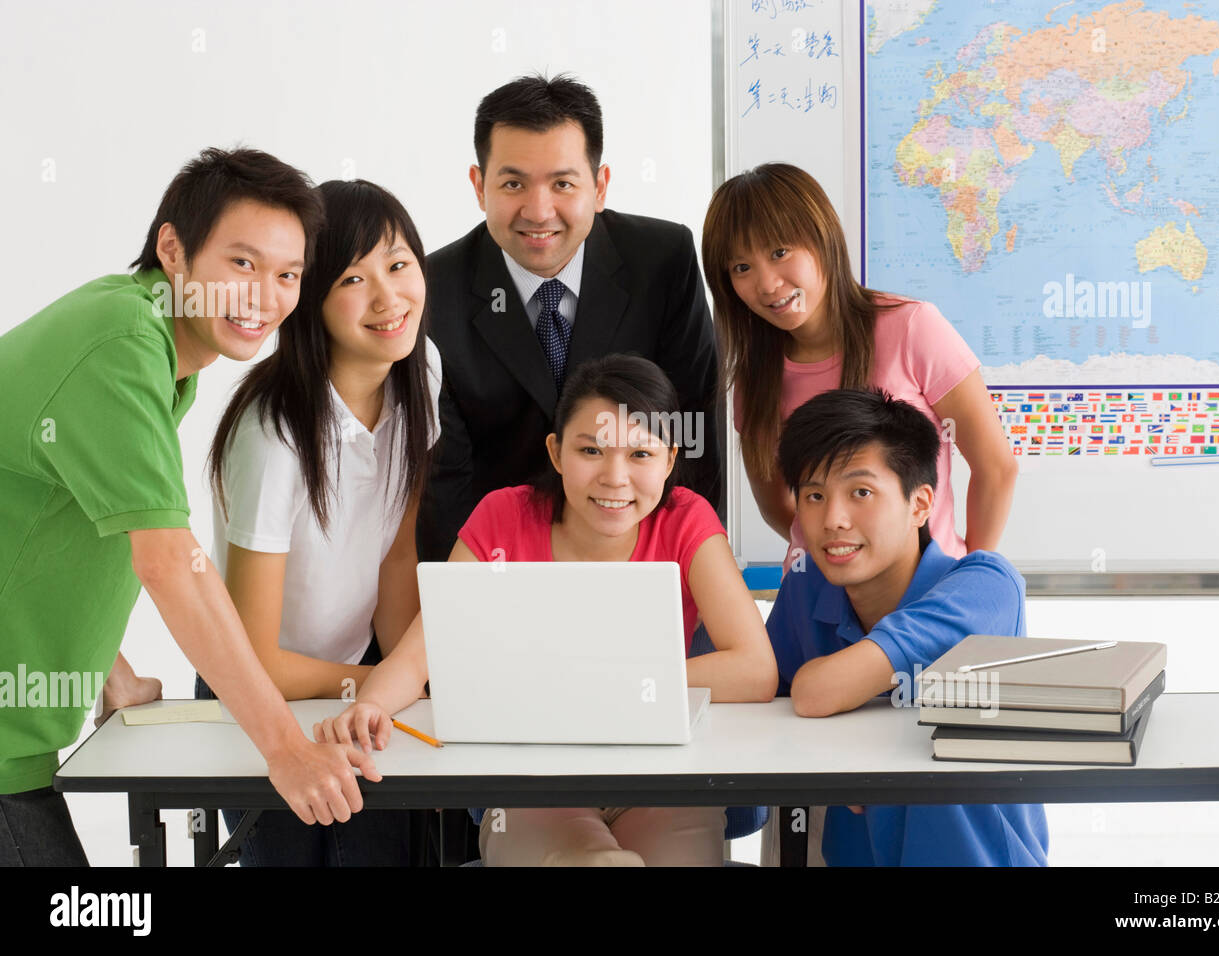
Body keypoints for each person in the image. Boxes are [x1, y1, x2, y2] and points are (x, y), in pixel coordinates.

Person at [0, 147, 380, 866]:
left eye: (287, 275)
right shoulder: (119, 347)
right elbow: (170, 562)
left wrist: (107, 669)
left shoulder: (150, 341)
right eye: (242, 263)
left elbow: (56, 517)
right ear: (173, 249)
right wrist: (285, 749)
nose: (264, 297)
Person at [317, 355, 778, 866]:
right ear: (556, 452)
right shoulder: (504, 516)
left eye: (640, 454)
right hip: (532, 786)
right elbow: (419, 657)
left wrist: (601, 681)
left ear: (669, 461)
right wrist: (370, 705)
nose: (615, 478)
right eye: (591, 450)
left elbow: (755, 669)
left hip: (662, 781)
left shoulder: (686, 519)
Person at [196, 179, 441, 865]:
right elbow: (257, 658)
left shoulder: (419, 370)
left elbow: (397, 553)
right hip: (257, 693)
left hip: (355, 679)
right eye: (353, 279)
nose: (389, 298)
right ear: (309, 299)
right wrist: (381, 686)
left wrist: (401, 682)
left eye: (398, 264)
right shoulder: (272, 435)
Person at [418, 73, 722, 563]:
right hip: (499, 560)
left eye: (562, 184)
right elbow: (445, 477)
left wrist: (691, 566)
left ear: (599, 186)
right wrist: (458, 595)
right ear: (479, 186)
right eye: (513, 183)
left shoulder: (663, 260)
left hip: (643, 551)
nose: (539, 212)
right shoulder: (432, 290)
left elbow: (691, 427)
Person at [765, 387, 1049, 866]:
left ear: (920, 505)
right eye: (814, 495)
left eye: (861, 493)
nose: (833, 519)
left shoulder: (986, 586)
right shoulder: (808, 586)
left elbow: (814, 691)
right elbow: (763, 702)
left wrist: (836, 726)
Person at [701, 162, 1016, 569]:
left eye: (780, 252)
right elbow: (779, 505)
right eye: (741, 268)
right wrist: (843, 558)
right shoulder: (755, 374)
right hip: (819, 591)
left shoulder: (911, 327)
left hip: (930, 586)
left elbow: (996, 467)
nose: (767, 284)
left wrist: (972, 575)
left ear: (823, 237)